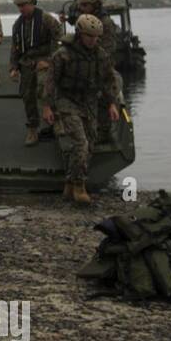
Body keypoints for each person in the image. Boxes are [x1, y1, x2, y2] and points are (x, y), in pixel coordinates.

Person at [43, 13, 120, 205]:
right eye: (89, 36)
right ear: (79, 34)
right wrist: (47, 106)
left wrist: (112, 103)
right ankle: (79, 186)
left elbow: (109, 80)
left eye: (96, 37)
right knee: (81, 143)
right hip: (67, 101)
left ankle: (69, 183)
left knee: (91, 143)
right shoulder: (63, 55)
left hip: (89, 102)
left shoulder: (101, 55)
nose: (93, 40)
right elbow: (50, 81)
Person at [8, 0, 61, 145]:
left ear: (32, 4)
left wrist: (50, 61)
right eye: (19, 6)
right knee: (27, 95)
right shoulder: (18, 24)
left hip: (44, 60)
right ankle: (32, 128)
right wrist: (13, 67)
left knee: (45, 88)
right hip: (26, 63)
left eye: (24, 5)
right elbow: (15, 47)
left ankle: (56, 122)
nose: (21, 9)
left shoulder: (47, 20)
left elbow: (58, 41)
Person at [77, 0, 121, 142]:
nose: (81, 9)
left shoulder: (105, 24)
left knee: (107, 93)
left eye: (85, 5)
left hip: (101, 65)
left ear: (95, 5)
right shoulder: (84, 20)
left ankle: (105, 132)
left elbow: (107, 50)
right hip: (84, 63)